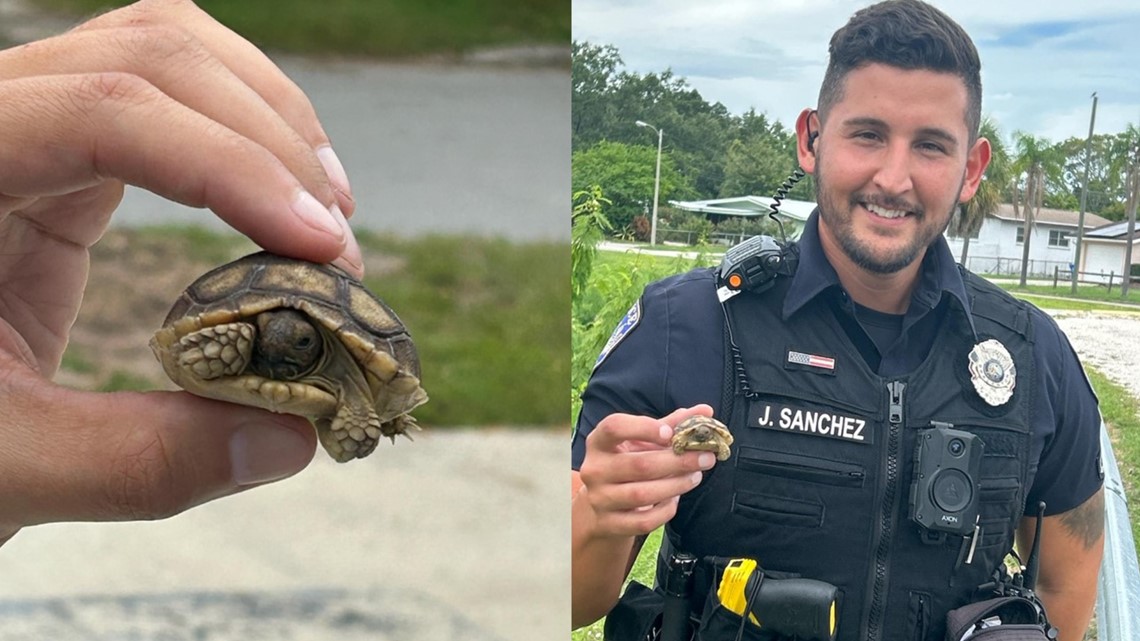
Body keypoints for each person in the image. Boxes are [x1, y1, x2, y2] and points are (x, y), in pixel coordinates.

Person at [571, 2, 1105, 640]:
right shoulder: (682, 328)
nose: (893, 177)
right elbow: (569, 602)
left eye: (930, 145)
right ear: (811, 139)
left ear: (971, 169)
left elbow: (1066, 589)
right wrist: (596, 515)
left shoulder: (1031, 356)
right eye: (867, 134)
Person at [0, 0, 364, 547]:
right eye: (279, 336)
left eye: (302, 343)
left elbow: (369, 374)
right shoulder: (244, 336)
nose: (286, 348)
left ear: (321, 345)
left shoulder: (339, 359)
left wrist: (364, 407)